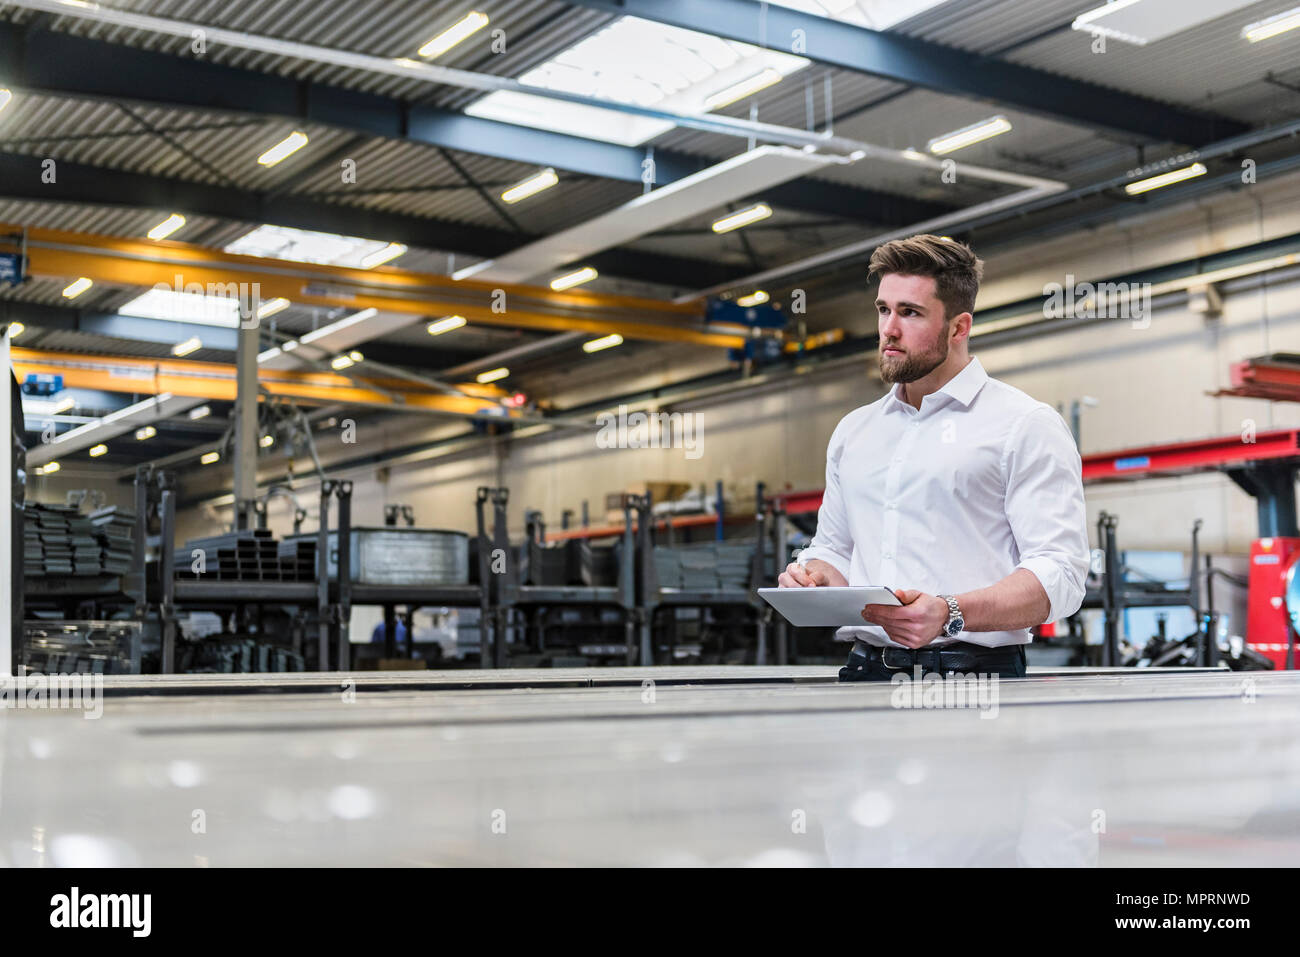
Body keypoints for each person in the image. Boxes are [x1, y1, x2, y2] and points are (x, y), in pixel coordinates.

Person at [779, 234, 1089, 681]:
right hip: (863, 673)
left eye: (910, 312)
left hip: (973, 679)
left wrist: (950, 612)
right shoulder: (855, 431)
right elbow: (835, 549)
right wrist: (813, 575)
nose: (889, 328)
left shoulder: (1024, 424)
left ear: (959, 328)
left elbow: (1060, 573)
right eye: (884, 309)